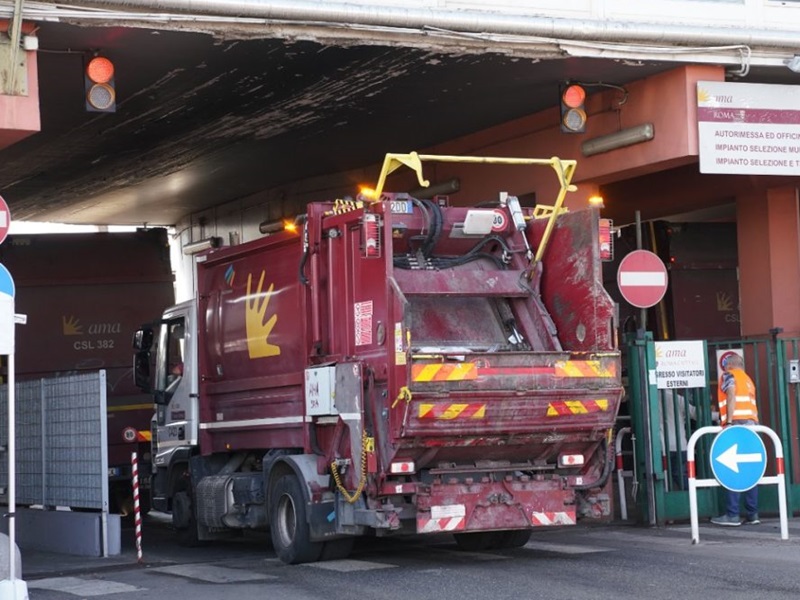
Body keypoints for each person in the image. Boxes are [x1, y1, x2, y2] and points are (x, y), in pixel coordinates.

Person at [710, 353, 760, 527]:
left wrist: (729, 422)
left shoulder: (728, 375)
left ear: (728, 365)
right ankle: (752, 514)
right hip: (752, 426)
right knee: (750, 470)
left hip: (736, 424)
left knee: (732, 469)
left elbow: (730, 394)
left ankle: (732, 514)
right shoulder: (747, 380)